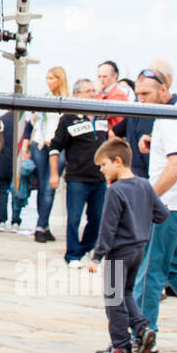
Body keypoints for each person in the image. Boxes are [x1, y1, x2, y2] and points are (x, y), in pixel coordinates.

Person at [132, 67, 177, 344]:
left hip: (170, 206)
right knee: (174, 268)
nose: (141, 100)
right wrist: (154, 142)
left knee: (151, 271)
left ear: (164, 89)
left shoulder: (170, 117)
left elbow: (176, 164)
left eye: (146, 93)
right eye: (138, 94)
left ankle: (142, 332)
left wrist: (147, 200)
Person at [87, 137, 168, 353]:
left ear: (118, 162)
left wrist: (97, 257)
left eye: (104, 165)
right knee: (127, 293)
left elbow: (108, 228)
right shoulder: (144, 184)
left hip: (118, 252)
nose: (102, 170)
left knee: (114, 299)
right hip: (138, 250)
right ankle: (142, 328)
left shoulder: (115, 191)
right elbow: (162, 214)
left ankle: (120, 346)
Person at [49, 78, 109, 265]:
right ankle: (73, 255)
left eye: (93, 90)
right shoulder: (68, 118)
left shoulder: (101, 116)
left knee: (97, 218)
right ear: (77, 95)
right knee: (74, 219)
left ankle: (85, 249)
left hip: (100, 178)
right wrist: (54, 173)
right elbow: (55, 147)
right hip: (77, 178)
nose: (93, 93)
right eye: (88, 91)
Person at [21, 65, 69, 242]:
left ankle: (41, 226)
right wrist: (25, 147)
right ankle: (42, 225)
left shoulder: (67, 100)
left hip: (58, 146)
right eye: (47, 78)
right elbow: (30, 124)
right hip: (40, 144)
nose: (49, 82)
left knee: (50, 185)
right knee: (42, 186)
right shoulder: (42, 99)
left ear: (60, 80)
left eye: (52, 78)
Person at [97, 59, 130, 133]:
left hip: (113, 136)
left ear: (114, 76)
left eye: (104, 77)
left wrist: (97, 94)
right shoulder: (105, 93)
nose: (101, 80)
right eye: (99, 77)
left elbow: (100, 113)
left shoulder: (118, 94)